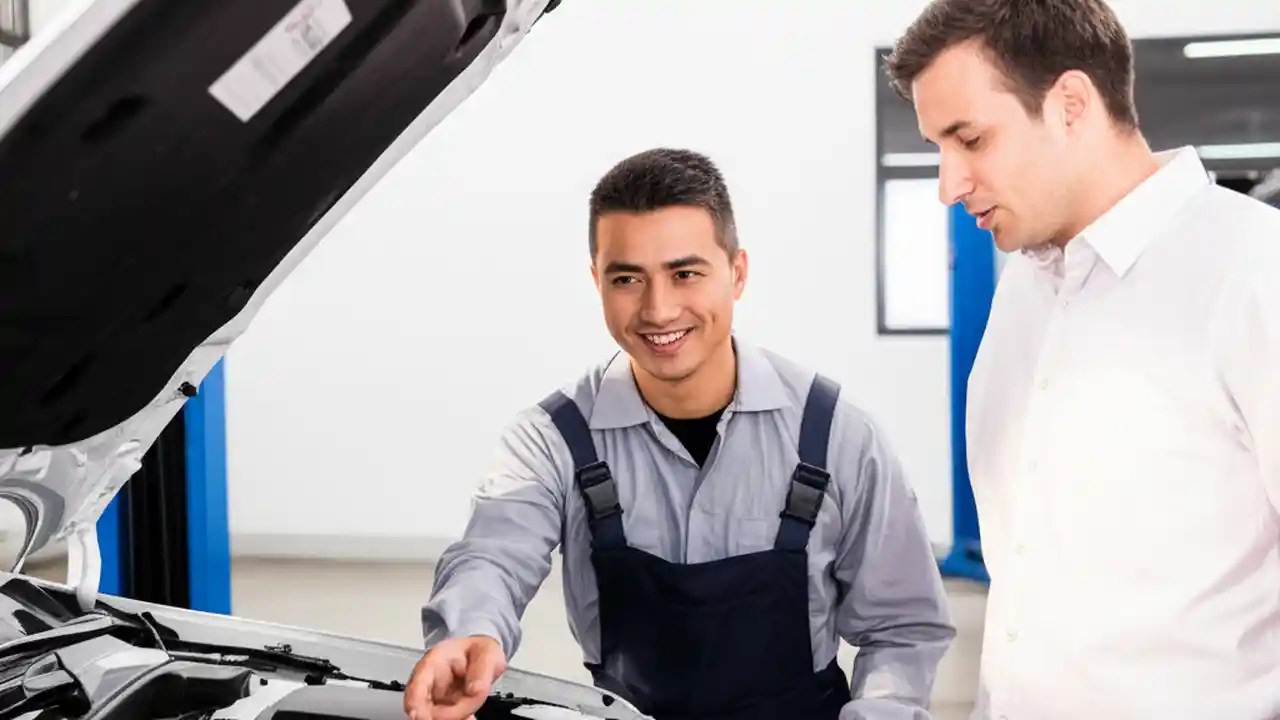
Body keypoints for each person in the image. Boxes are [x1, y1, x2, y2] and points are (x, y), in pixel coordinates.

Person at [402, 148, 955, 720]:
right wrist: (470, 633)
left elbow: (902, 628)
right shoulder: (552, 441)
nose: (658, 309)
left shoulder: (838, 435)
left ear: (737, 273)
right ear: (597, 281)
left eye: (685, 273)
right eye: (627, 279)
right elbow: (492, 554)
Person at [886, 1, 1280, 718]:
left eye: (969, 138)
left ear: (1070, 105)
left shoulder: (1254, 274)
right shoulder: (1026, 296)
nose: (948, 185)